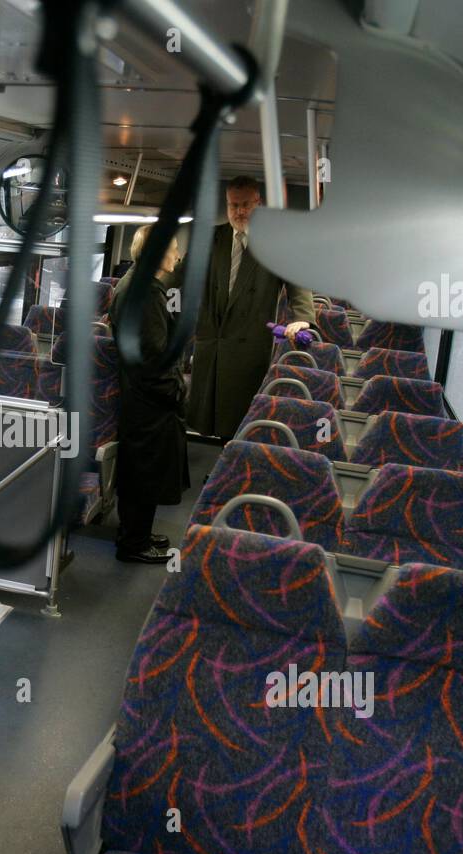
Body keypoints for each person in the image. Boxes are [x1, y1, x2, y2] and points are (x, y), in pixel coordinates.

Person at [185, 175, 316, 440]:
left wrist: (303, 318)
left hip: (249, 344)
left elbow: (299, 283)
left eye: (246, 205)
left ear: (259, 203)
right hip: (212, 342)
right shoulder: (211, 237)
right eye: (234, 205)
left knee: (241, 423)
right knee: (206, 420)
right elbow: (181, 272)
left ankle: (236, 459)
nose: (240, 211)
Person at [108, 225, 191, 564]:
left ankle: (136, 533)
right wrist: (177, 392)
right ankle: (134, 544)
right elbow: (154, 358)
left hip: (139, 396)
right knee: (145, 474)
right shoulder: (145, 294)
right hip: (149, 401)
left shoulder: (136, 284)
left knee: (141, 472)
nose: (177, 256)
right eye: (173, 249)